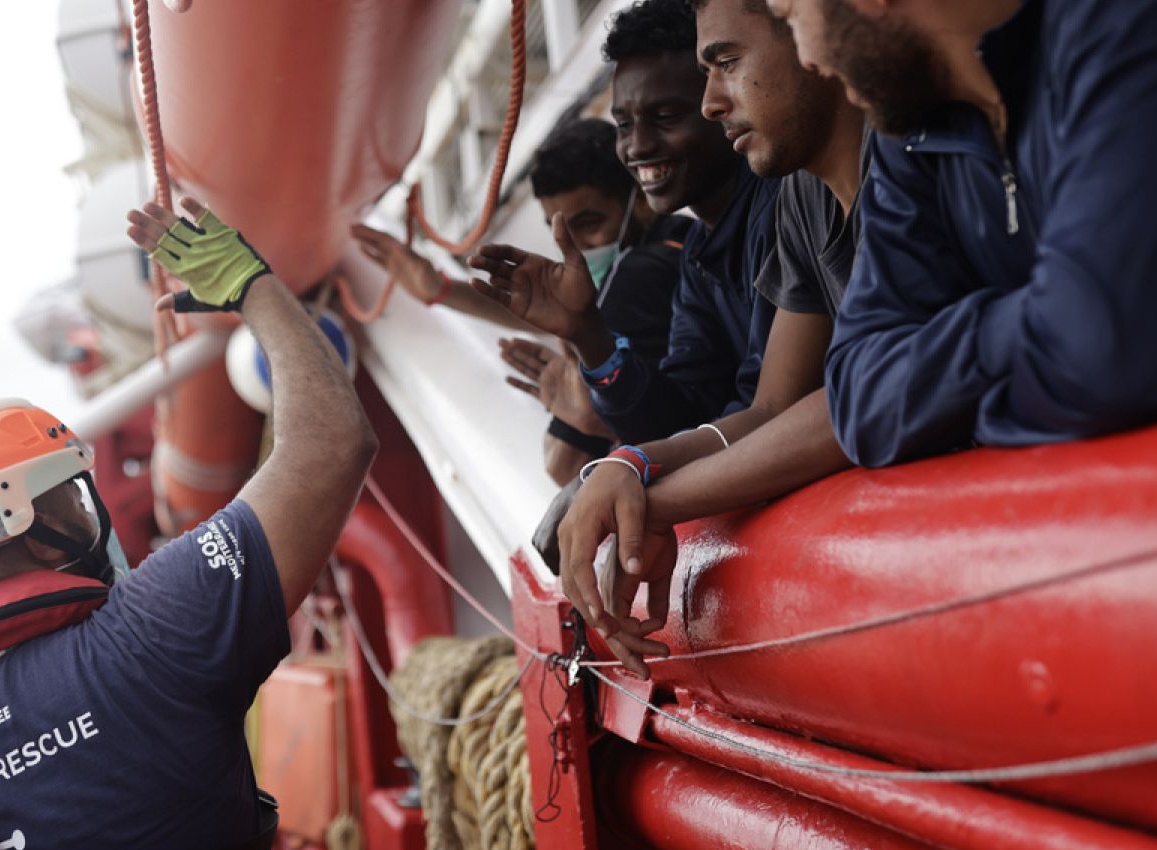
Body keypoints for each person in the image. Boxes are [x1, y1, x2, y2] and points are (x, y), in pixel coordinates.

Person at [0, 198, 376, 850]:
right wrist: (252, 286)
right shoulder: (157, 633)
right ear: (26, 519)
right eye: (73, 499)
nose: (95, 514)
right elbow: (332, 445)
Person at [767, 0, 1157, 468]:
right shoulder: (910, 129)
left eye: (791, 16)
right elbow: (861, 404)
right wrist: (1037, 324)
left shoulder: (1118, 21)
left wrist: (958, 412)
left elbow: (1106, 349)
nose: (808, 59)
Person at [554, 0, 869, 676]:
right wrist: (623, 460)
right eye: (624, 124)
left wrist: (646, 490)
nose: (716, 101)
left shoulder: (812, 187)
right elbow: (749, 411)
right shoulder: (729, 236)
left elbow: (862, 394)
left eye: (724, 66)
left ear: (809, 36)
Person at [469, 0, 778, 447]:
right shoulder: (698, 255)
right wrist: (588, 333)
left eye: (666, 116)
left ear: (717, 104)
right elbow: (681, 417)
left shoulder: (781, 210)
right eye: (623, 124)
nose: (637, 146)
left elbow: (764, 412)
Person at [351, 118, 692, 484]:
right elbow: (570, 312)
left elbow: (564, 464)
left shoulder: (635, 277)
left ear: (639, 200)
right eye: (560, 232)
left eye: (589, 224)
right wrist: (441, 290)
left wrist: (582, 409)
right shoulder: (683, 242)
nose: (574, 249)